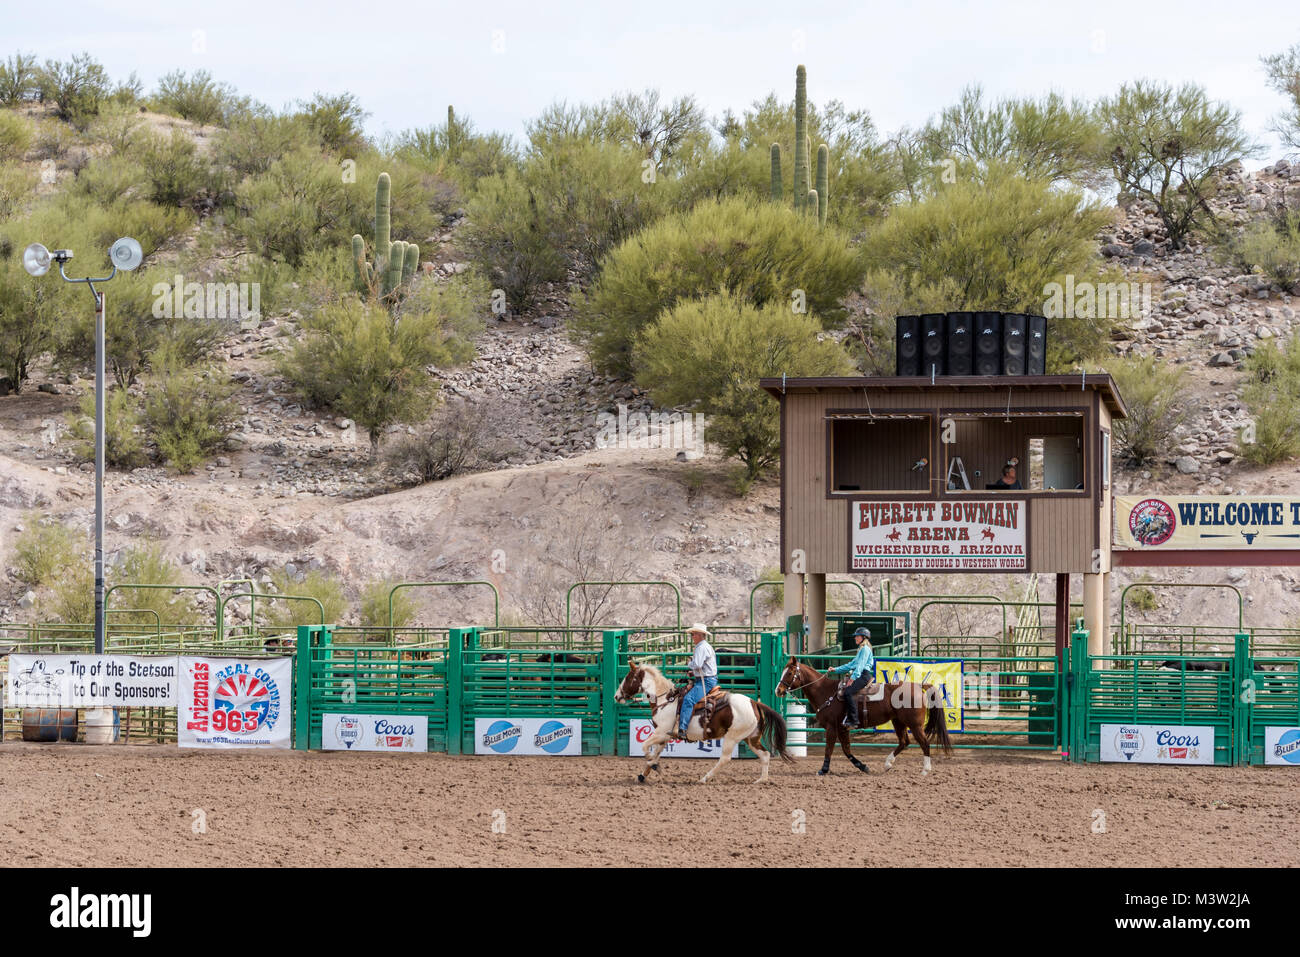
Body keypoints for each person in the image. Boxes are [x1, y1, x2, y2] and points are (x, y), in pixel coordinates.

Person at [676, 623, 718, 740]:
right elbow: (701, 666)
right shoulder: (704, 646)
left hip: (706, 681)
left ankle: (683, 729)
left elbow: (698, 664)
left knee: (688, 699)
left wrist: (690, 665)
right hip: (706, 678)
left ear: (699, 635)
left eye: (693, 634)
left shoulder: (701, 647)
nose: (692, 636)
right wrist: (694, 672)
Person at [828, 627, 876, 727]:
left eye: (857, 636)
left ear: (863, 637)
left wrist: (852, 678)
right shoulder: (861, 649)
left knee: (848, 692)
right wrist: (835, 669)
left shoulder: (865, 649)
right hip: (861, 674)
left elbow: (860, 666)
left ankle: (854, 719)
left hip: (863, 675)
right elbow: (850, 665)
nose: (855, 638)